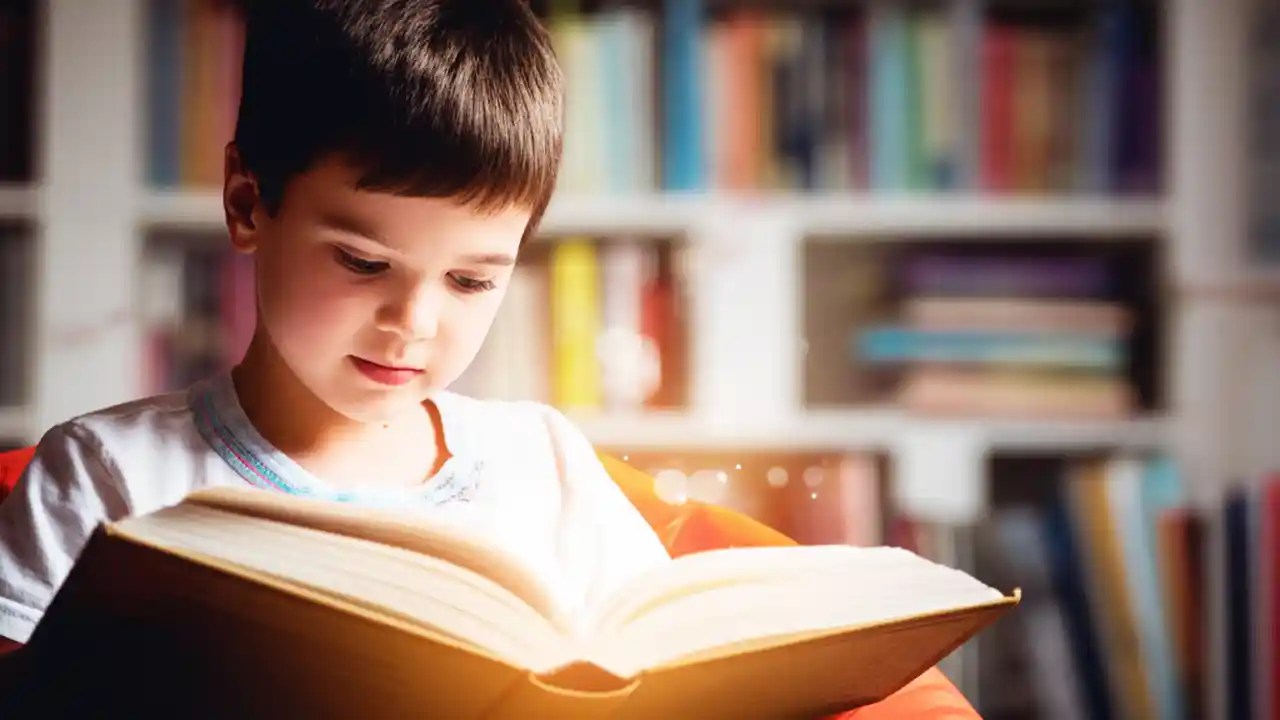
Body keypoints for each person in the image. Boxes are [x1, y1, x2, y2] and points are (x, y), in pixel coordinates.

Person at [0, 1, 979, 716]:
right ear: (249, 204)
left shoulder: (542, 466)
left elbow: (657, 668)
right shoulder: (107, 471)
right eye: (363, 261)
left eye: (471, 281)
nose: (413, 322)